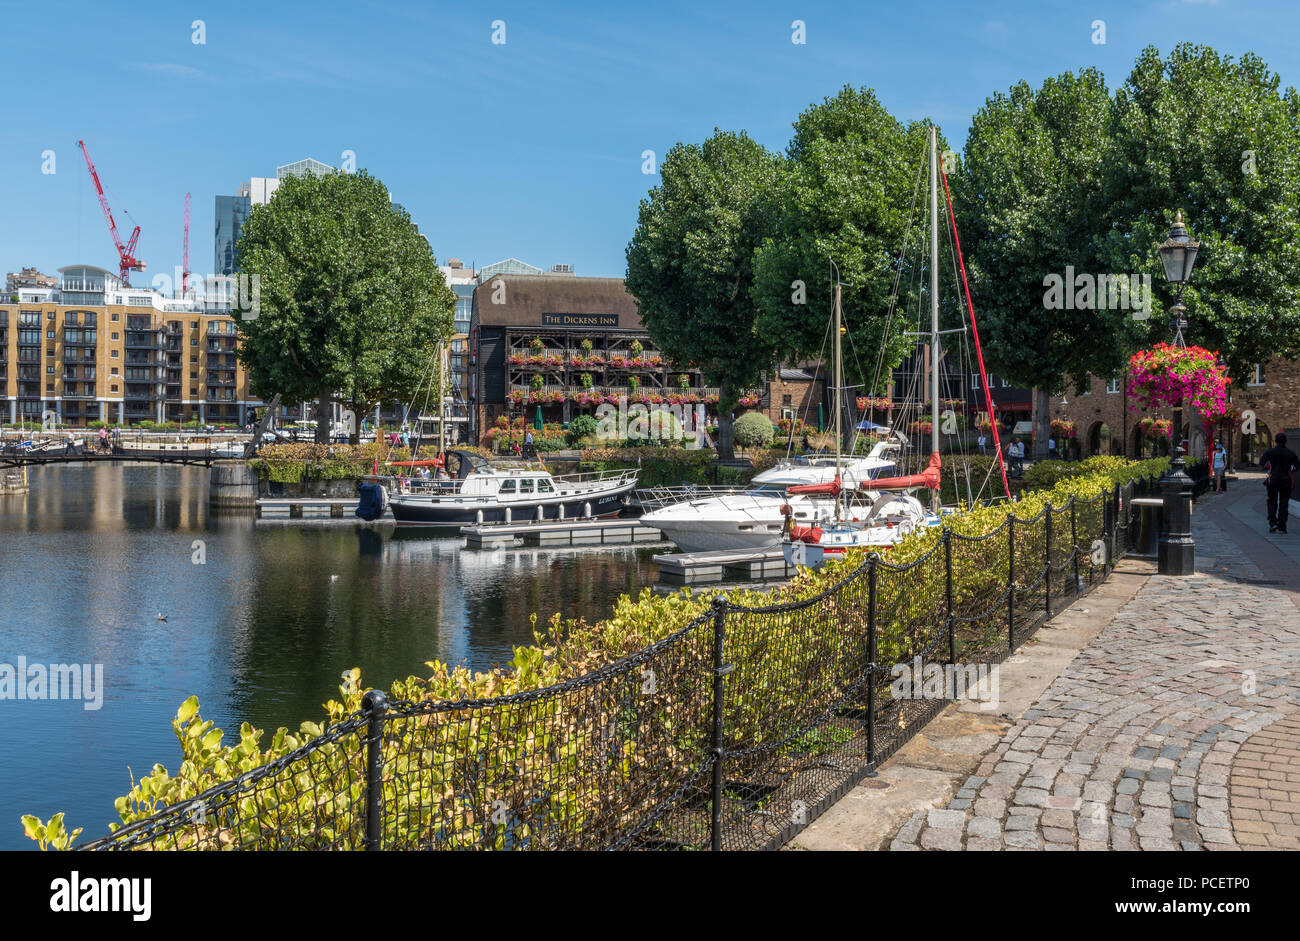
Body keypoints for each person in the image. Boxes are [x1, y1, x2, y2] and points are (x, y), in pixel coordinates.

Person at [1260, 432, 1300, 533]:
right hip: (1286, 480)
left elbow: (1263, 464)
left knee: (1272, 501)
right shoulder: (1291, 453)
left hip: (1273, 479)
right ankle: (1282, 525)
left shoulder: (1270, 452)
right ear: (1285, 441)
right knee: (1284, 503)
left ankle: (1273, 523)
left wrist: (1270, 467)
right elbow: (1296, 467)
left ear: (1276, 441)